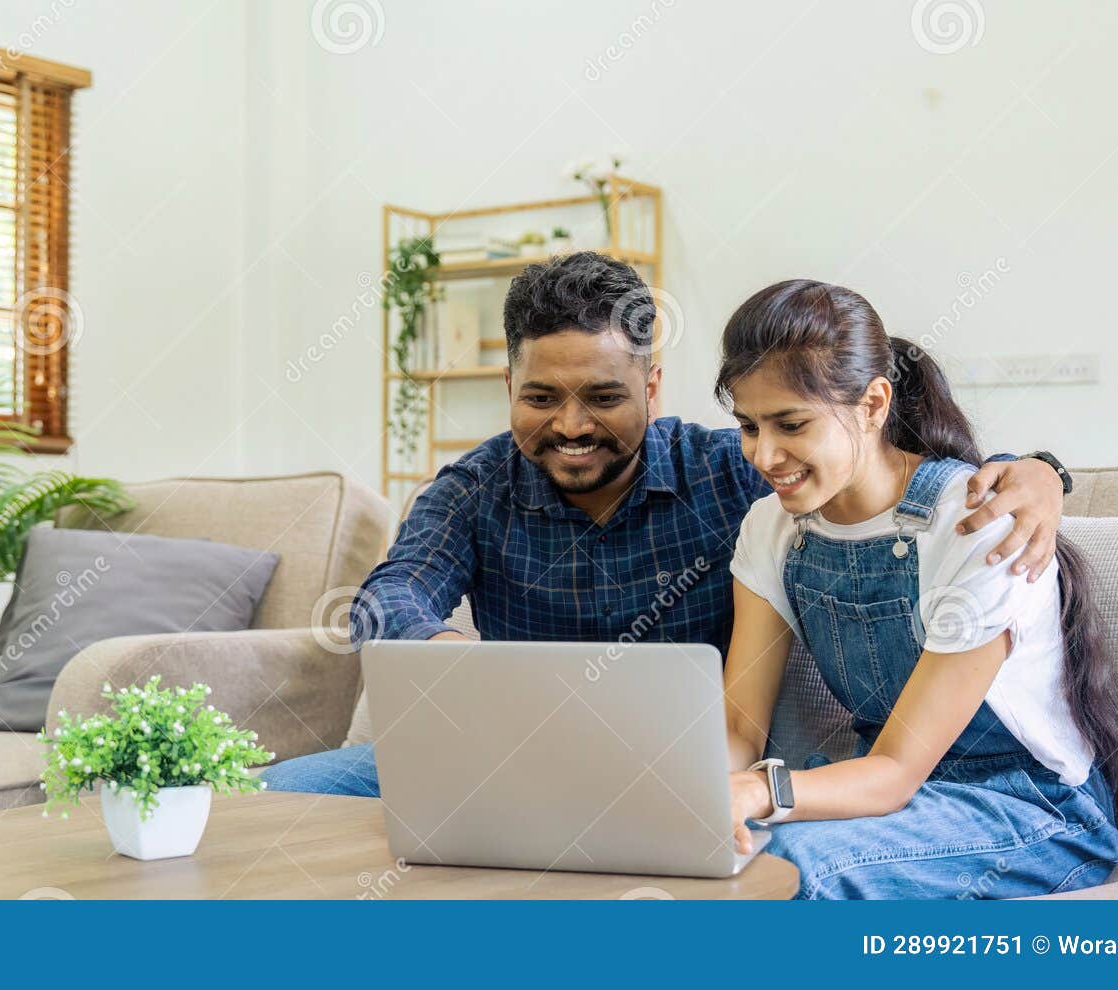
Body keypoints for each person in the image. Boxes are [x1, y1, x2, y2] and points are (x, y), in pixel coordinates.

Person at [260, 253, 1069, 798]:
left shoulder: (733, 473)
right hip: (499, 765)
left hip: (668, 774)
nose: (570, 425)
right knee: (259, 803)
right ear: (510, 383)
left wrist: (1037, 471)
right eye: (541, 398)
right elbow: (386, 596)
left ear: (651, 384)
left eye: (603, 398)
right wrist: (442, 650)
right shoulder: (476, 489)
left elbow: (870, 459)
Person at [717, 279, 1118, 899]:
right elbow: (738, 730)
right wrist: (700, 803)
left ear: (873, 404)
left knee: (786, 875)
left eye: (791, 424)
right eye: (750, 426)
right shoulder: (770, 527)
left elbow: (893, 774)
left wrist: (759, 791)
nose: (765, 454)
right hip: (875, 795)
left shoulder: (978, 522)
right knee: (714, 859)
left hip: (1030, 811)